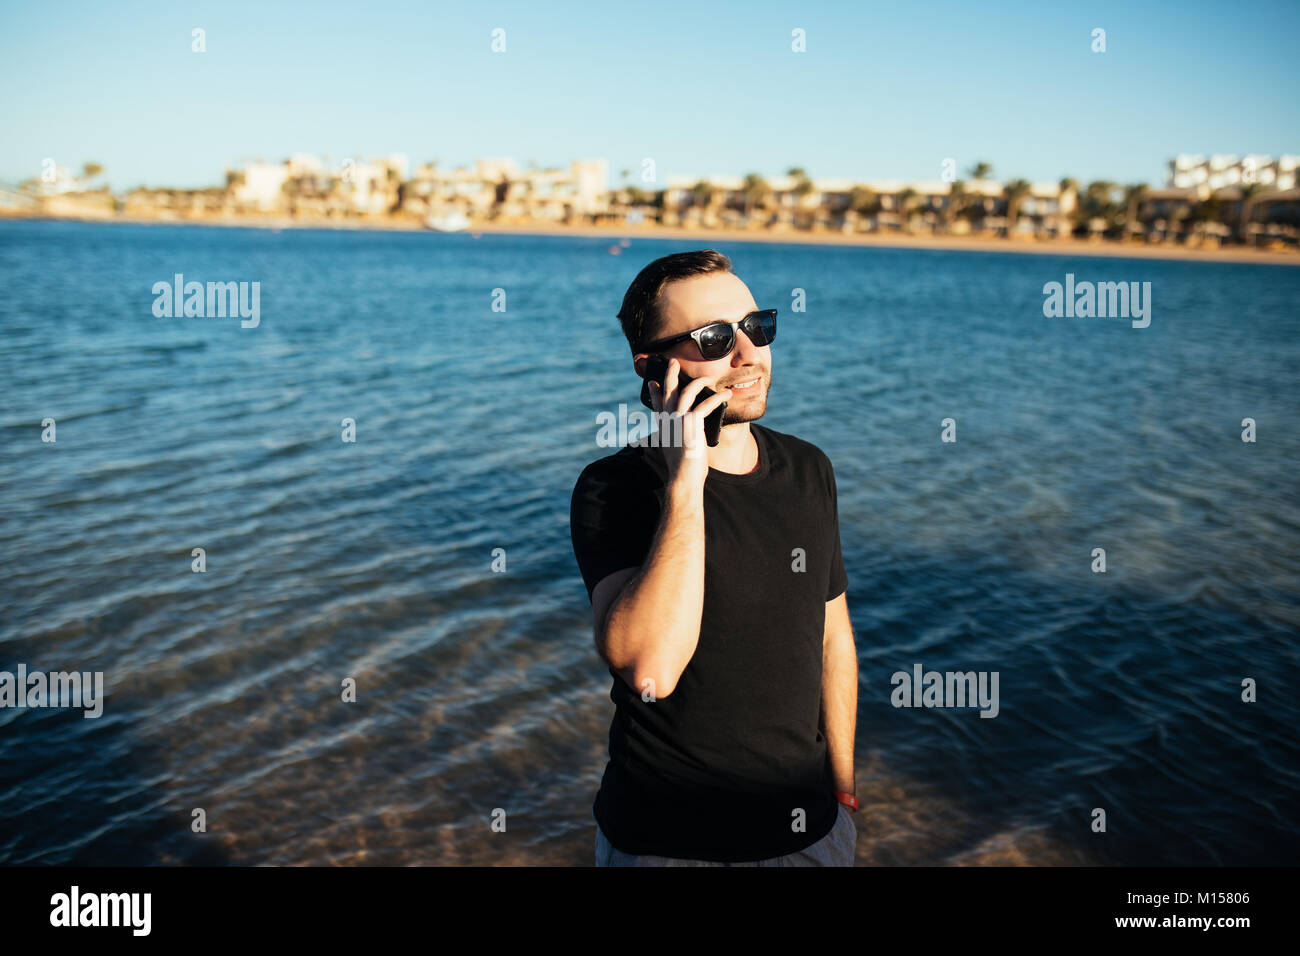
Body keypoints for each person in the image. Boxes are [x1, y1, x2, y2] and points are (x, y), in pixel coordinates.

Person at [570, 249, 859, 866]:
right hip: (669, 846)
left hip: (812, 836)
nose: (749, 354)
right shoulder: (615, 488)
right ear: (653, 368)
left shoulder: (809, 468)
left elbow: (832, 635)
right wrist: (684, 480)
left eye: (757, 327)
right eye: (715, 338)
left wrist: (842, 782)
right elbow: (651, 669)